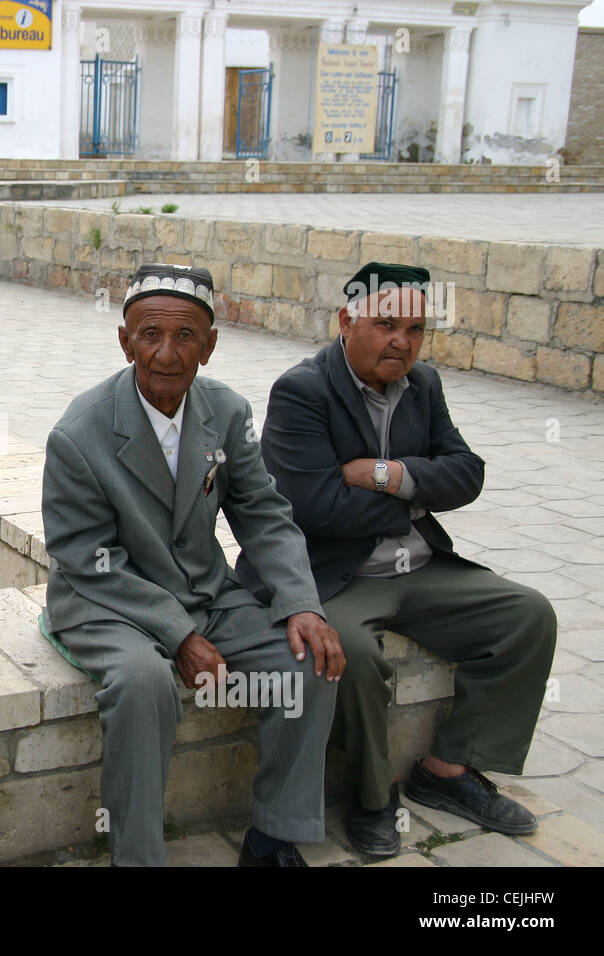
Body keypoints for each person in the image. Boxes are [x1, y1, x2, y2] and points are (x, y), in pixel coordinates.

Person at [238, 262, 557, 857]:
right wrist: (416, 496)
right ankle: (371, 798)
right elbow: (314, 508)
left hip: (420, 567)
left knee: (527, 615)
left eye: (414, 330)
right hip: (338, 575)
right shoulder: (302, 390)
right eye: (386, 324)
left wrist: (386, 475)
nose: (401, 342)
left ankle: (447, 769)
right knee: (350, 656)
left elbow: (468, 474)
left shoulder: (424, 384)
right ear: (347, 321)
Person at [41, 262, 344, 867]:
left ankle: (273, 836)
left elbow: (263, 513)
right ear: (124, 340)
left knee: (308, 663)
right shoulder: (80, 432)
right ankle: (139, 857)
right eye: (149, 334)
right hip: (108, 603)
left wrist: (301, 603)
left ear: (209, 345)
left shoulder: (227, 414)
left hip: (204, 592)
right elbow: (83, 557)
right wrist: (178, 634)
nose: (166, 353)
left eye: (186, 337)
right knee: (144, 684)